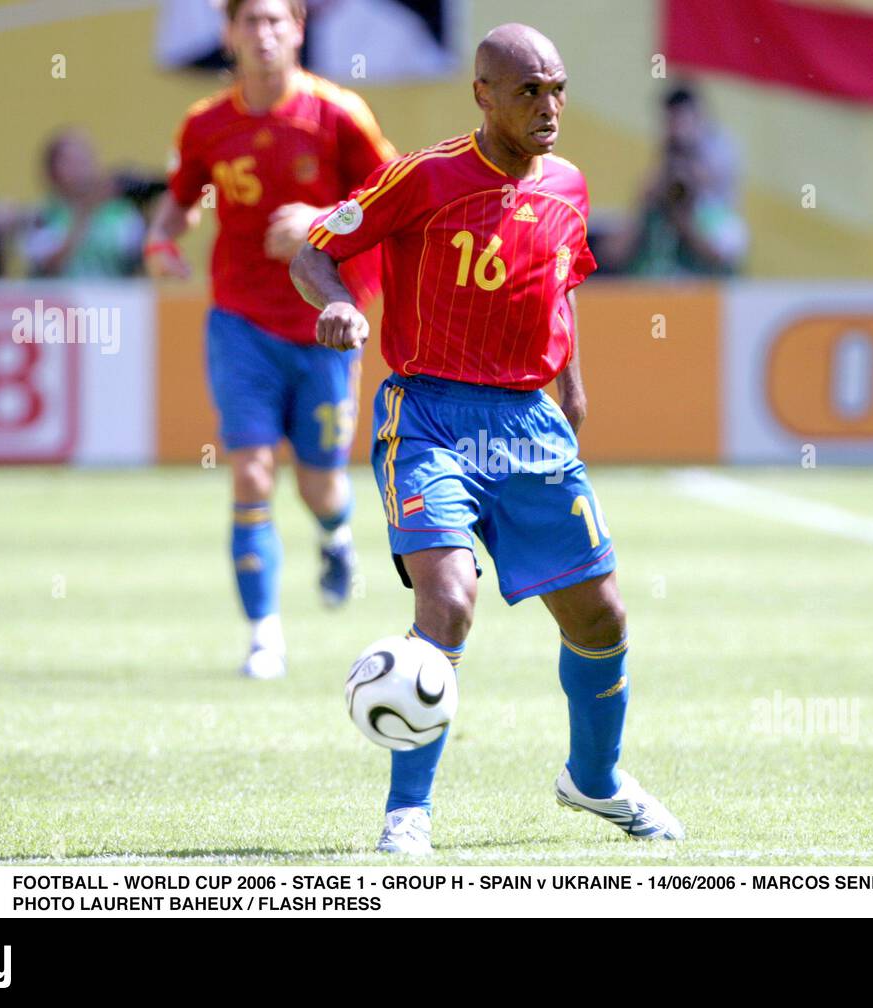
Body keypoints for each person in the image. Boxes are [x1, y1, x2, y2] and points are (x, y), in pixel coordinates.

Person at [292, 22, 684, 853]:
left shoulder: (570, 185)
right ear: (483, 95)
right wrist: (336, 303)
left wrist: (570, 393)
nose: (549, 106)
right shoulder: (425, 177)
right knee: (447, 600)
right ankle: (408, 814)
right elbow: (317, 246)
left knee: (602, 617)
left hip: (529, 424)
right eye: (528, 91)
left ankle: (596, 779)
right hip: (430, 414)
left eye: (558, 88)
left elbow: (561, 287)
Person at [144, 0, 396, 680]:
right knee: (252, 472)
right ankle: (264, 635)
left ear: (299, 30)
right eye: (250, 21)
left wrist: (323, 218)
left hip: (323, 325)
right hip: (240, 322)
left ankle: (336, 533)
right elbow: (182, 193)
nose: (264, 34)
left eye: (276, 20)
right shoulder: (206, 123)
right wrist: (163, 235)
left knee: (320, 486)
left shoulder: (339, 114)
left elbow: (395, 195)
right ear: (228, 33)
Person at [610, 85, 747, 277]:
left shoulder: (718, 217)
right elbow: (615, 254)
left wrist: (682, 220)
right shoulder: (654, 206)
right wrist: (641, 203)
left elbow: (722, 258)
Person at [21, 130, 146, 278]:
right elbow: (49, 266)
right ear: (52, 171)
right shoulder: (44, 215)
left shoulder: (121, 213)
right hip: (59, 300)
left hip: (111, 300)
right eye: (71, 161)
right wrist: (85, 213)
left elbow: (140, 263)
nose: (81, 168)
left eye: (85, 159)